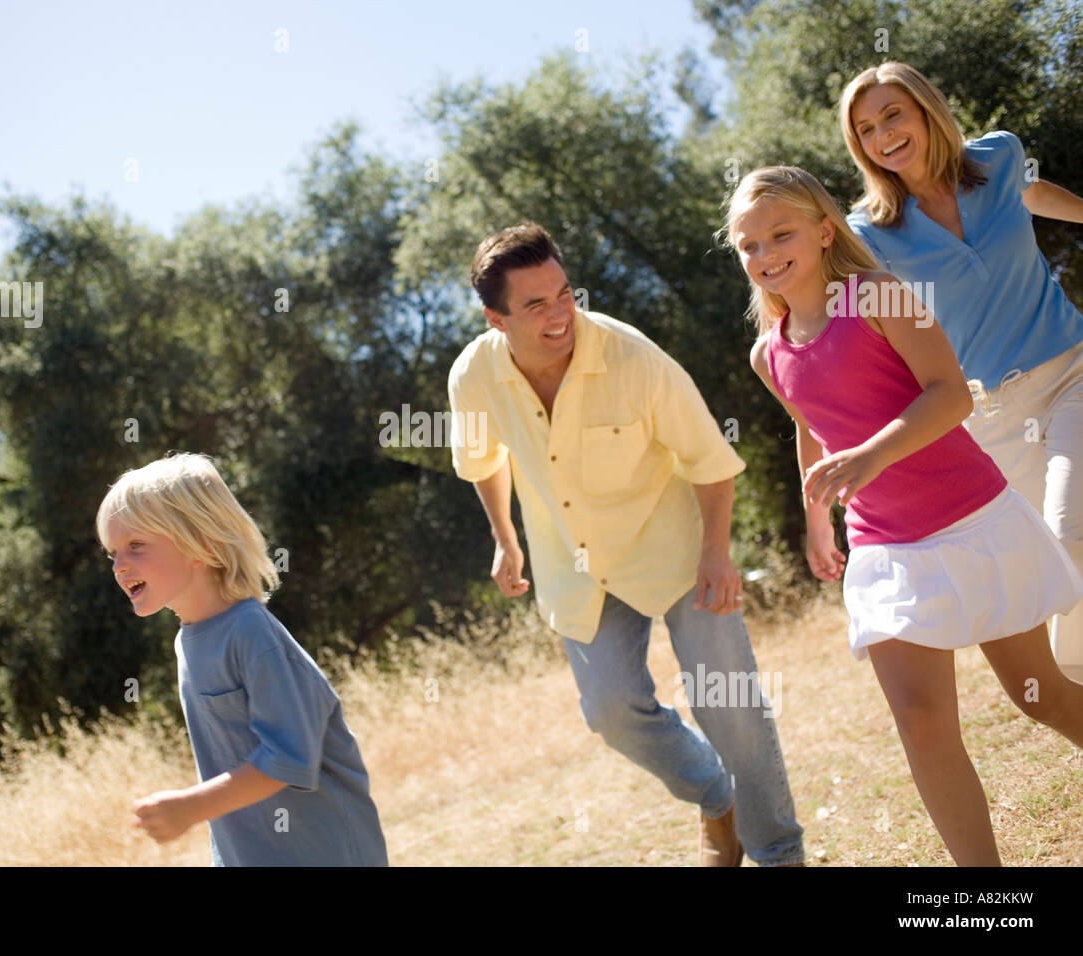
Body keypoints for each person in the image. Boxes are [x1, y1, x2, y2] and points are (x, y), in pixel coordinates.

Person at [728, 165, 1083, 865]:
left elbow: (949, 395)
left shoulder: (882, 294)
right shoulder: (769, 353)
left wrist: (870, 456)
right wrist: (818, 516)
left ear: (825, 230)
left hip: (974, 521)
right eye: (748, 246)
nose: (765, 255)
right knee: (920, 724)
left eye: (780, 234)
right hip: (888, 549)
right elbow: (811, 425)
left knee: (1039, 698)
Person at [447, 222, 804, 866]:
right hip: (573, 563)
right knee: (611, 711)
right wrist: (506, 539)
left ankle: (780, 854)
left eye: (563, 294)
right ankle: (714, 795)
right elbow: (482, 460)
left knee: (731, 707)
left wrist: (718, 554)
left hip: (677, 550)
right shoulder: (473, 375)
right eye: (535, 305)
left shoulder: (630, 355)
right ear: (494, 318)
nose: (560, 315)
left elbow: (709, 457)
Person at [839, 61, 1083, 682]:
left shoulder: (999, 157)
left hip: (1071, 369)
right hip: (992, 416)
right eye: (866, 128)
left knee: (1068, 529)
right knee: (1051, 564)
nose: (883, 134)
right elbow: (849, 316)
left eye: (893, 113)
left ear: (925, 110)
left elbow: (1033, 193)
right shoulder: (870, 233)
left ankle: (1074, 675)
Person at [96, 452, 388, 866]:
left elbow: (290, 756)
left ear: (201, 545)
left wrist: (191, 807)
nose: (119, 567)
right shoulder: (188, 641)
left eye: (136, 546)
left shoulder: (251, 633)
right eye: (112, 553)